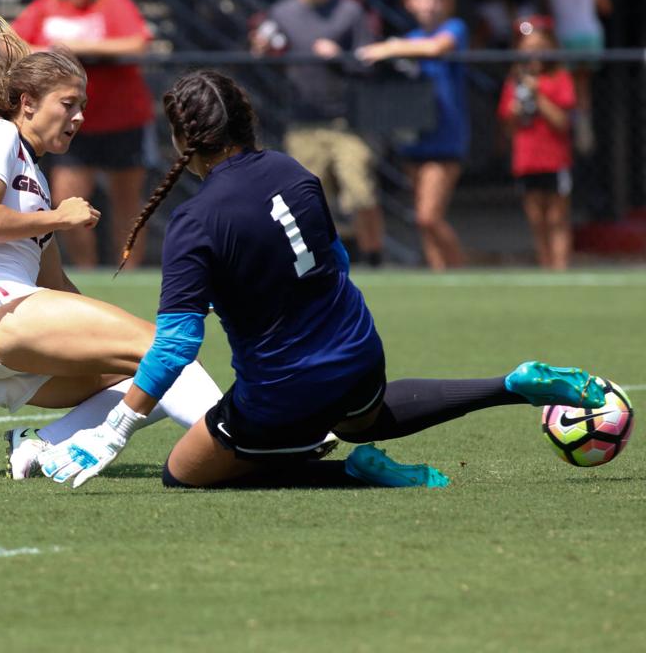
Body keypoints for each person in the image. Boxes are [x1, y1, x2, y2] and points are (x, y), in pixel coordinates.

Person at [36, 71, 607, 489]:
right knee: (365, 414)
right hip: (360, 357)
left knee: (182, 474)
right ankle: (508, 384)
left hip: (283, 393)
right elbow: (336, 260)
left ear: (184, 144)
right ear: (246, 118)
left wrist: (114, 431)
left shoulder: (194, 221)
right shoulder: (295, 172)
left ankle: (358, 474)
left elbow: (179, 344)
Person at [0, 9, 222, 479]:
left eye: (82, 105)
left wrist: (92, 327)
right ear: (27, 103)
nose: (80, 116)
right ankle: (240, 445)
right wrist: (61, 217)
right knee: (166, 348)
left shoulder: (36, 180)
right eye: (68, 103)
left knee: (153, 377)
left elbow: (55, 285)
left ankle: (38, 444)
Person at [11, 0, 155, 269]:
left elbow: (137, 42)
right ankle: (86, 274)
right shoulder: (45, 8)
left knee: (128, 205)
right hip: (73, 126)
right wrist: (53, 52)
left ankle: (126, 274)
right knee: (66, 199)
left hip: (122, 119)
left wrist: (77, 48)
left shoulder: (112, 2)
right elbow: (9, 43)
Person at [251, 0, 385, 266]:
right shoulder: (281, 13)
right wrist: (262, 50)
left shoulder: (350, 11)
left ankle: (375, 258)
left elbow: (368, 61)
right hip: (303, 120)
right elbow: (263, 57)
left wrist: (340, 55)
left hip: (346, 120)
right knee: (308, 200)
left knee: (361, 192)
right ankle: (319, 263)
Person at [357, 0, 468, 270]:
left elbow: (435, 48)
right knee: (423, 219)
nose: (429, 4)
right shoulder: (410, 39)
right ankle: (439, 275)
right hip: (416, 135)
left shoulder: (454, 29)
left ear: (446, 2)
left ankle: (462, 272)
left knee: (428, 216)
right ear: (409, 2)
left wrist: (389, 48)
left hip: (446, 136)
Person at [496, 16, 575, 270]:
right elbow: (507, 124)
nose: (534, 53)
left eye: (540, 46)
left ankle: (561, 267)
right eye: (528, 47)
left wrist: (537, 93)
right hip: (526, 159)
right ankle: (545, 266)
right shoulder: (514, 82)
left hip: (554, 158)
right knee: (536, 218)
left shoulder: (559, 78)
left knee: (556, 217)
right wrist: (516, 109)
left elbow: (562, 121)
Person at [540, 0, 610, 157]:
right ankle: (583, 129)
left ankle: (569, 129)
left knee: (566, 83)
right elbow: (605, 6)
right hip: (589, 35)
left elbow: (548, 12)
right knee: (583, 85)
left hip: (563, 35)